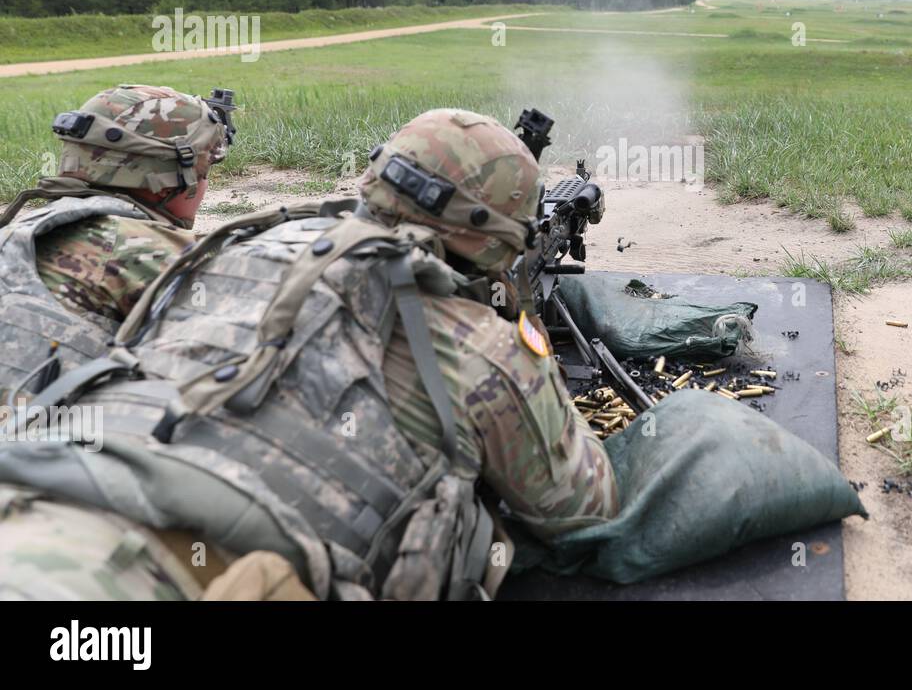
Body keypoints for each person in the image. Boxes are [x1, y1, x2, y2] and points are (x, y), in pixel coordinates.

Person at [0, 108, 616, 601]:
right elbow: (581, 512)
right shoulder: (476, 345)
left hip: (37, 490)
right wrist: (526, 363)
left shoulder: (231, 248)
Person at [0, 84, 234, 404]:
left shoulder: (23, 228)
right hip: (32, 448)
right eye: (204, 170)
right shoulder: (139, 247)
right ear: (166, 178)